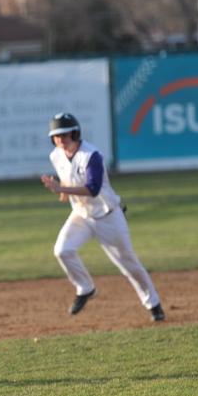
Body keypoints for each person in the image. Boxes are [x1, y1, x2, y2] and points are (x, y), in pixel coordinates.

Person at [40, 113, 165, 322]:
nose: (60, 139)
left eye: (64, 134)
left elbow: (93, 188)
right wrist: (62, 190)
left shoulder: (91, 155)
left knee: (129, 265)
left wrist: (60, 188)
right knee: (62, 250)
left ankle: (154, 305)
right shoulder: (56, 155)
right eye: (56, 135)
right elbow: (66, 179)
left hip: (108, 216)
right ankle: (86, 288)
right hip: (81, 215)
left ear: (75, 132)